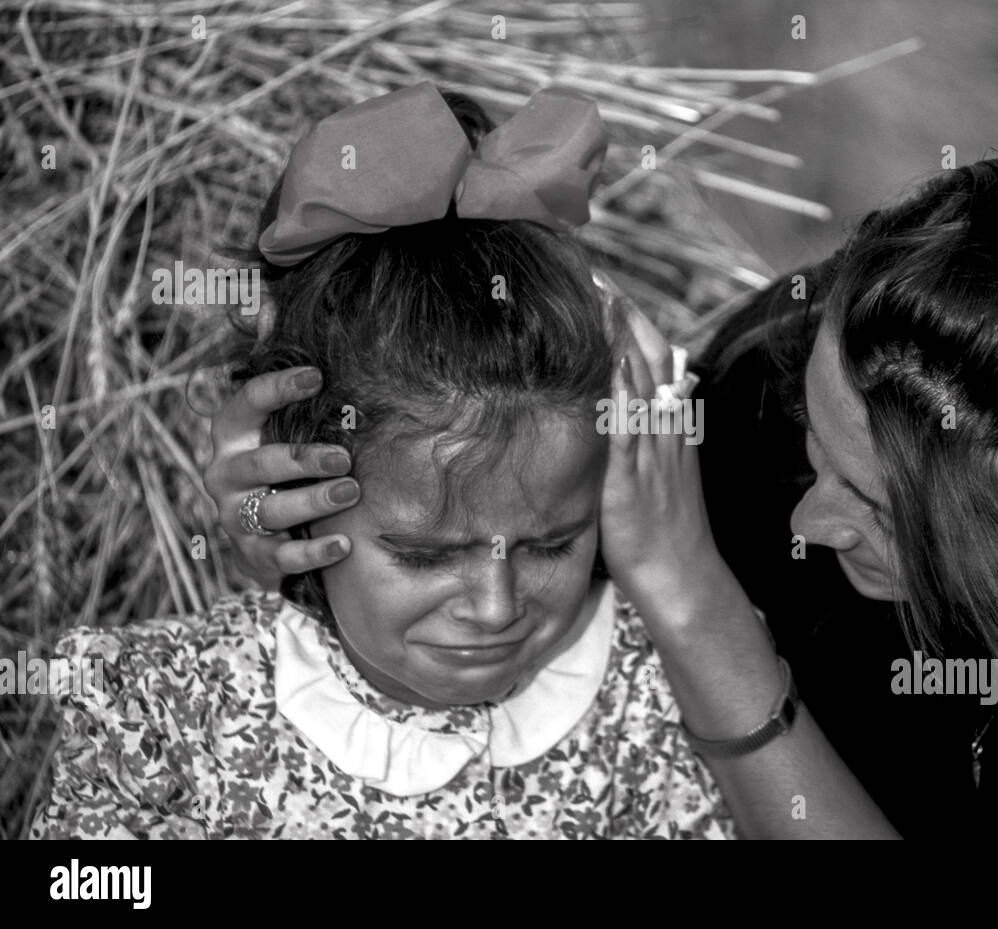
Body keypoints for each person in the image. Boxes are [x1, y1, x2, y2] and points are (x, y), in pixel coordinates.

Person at [204, 155, 998, 840]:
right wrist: (302, 537)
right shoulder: (780, 370)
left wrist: (698, 604)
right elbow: (497, 553)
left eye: (875, 509)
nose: (803, 524)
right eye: (817, 448)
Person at [29, 85, 737, 840]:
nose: (495, 607)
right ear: (292, 486)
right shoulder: (164, 719)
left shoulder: (664, 706)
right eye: (424, 555)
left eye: (549, 543)